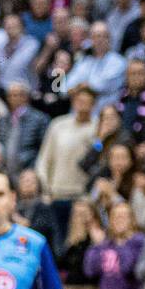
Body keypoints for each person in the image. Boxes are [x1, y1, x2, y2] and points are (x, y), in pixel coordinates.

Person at [36, 84, 99, 234]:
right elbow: (44, 160)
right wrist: (45, 189)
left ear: (94, 104)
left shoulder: (98, 128)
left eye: (87, 102)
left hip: (83, 197)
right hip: (56, 194)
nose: (83, 105)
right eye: (79, 101)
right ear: (73, 102)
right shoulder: (58, 124)